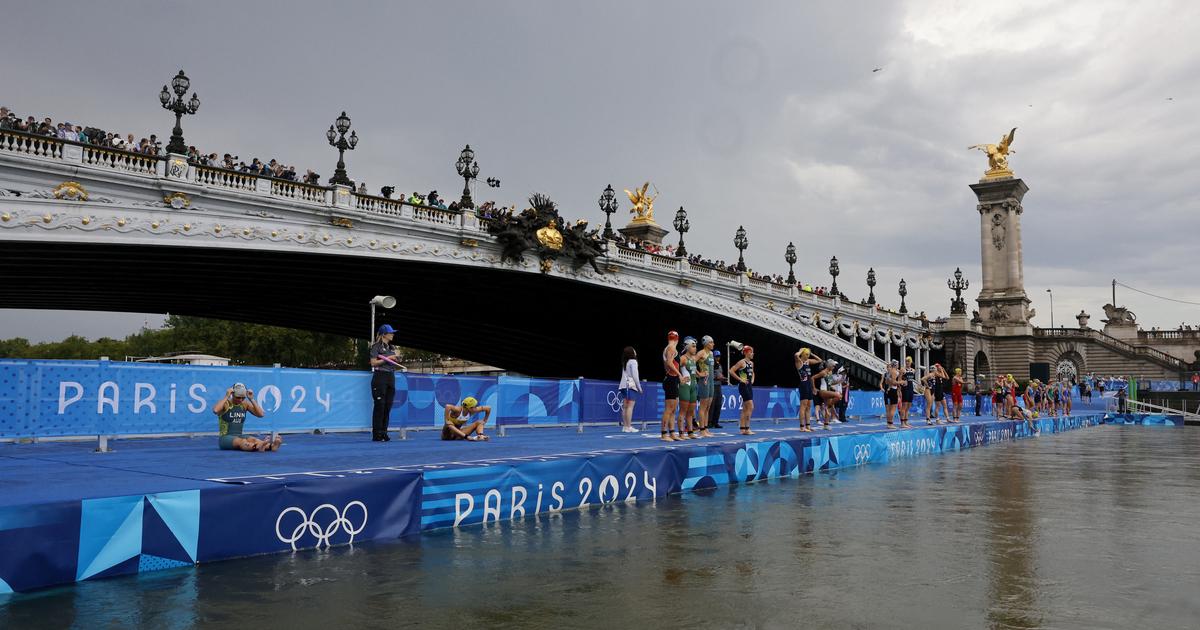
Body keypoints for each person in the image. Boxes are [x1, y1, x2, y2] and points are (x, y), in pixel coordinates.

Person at [213, 383, 280, 452]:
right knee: (242, 441)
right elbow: (215, 410)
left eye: (243, 397)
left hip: (239, 435)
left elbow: (261, 414)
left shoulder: (245, 404)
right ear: (232, 394)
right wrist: (226, 396)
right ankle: (258, 447)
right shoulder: (225, 404)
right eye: (238, 397)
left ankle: (271, 447)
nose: (240, 400)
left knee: (254, 440)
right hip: (225, 438)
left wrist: (251, 399)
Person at [369, 324, 401, 442]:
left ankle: (384, 432)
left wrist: (396, 359)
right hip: (380, 377)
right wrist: (387, 359)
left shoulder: (392, 348)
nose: (392, 335)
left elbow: (394, 363)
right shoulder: (376, 347)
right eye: (391, 333)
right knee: (380, 405)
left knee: (388, 406)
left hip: (390, 377)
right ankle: (377, 433)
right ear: (384, 334)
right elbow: (373, 363)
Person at [795, 347, 823, 432]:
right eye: (806, 354)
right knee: (803, 406)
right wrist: (801, 351)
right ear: (802, 354)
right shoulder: (799, 362)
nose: (807, 356)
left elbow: (819, 360)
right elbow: (796, 355)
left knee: (809, 406)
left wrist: (811, 354)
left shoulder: (808, 362)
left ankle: (808, 426)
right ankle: (801, 426)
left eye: (808, 354)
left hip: (809, 385)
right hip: (803, 385)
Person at [677, 338, 699, 439]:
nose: (695, 348)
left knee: (691, 412)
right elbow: (672, 369)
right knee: (683, 411)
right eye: (693, 346)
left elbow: (695, 373)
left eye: (695, 346)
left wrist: (702, 374)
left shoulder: (694, 359)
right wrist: (679, 378)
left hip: (693, 386)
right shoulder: (683, 358)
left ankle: (690, 432)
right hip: (685, 387)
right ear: (687, 347)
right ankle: (681, 433)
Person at [730, 345, 756, 435]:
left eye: (753, 352)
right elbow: (731, 371)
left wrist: (752, 380)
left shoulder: (751, 363)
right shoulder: (742, 362)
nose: (753, 353)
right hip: (743, 386)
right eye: (751, 352)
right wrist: (740, 379)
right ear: (746, 353)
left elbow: (753, 373)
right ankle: (747, 428)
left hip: (749, 386)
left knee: (745, 408)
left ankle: (742, 429)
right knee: (750, 406)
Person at [661, 331, 681, 442]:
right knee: (669, 409)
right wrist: (680, 375)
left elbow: (668, 364)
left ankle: (672, 432)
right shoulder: (671, 348)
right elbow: (669, 362)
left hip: (672, 379)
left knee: (673, 409)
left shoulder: (669, 348)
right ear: (677, 339)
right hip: (671, 380)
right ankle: (664, 434)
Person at [695, 336, 715, 438]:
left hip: (711, 382)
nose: (713, 344)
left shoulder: (711, 353)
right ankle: (701, 430)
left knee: (708, 407)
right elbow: (690, 362)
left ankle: (706, 428)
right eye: (711, 342)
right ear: (706, 343)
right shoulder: (701, 353)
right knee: (703, 407)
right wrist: (699, 374)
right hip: (704, 382)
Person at [618, 346, 642, 433]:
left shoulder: (626, 362)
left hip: (623, 386)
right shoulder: (633, 361)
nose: (635, 351)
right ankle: (628, 426)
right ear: (632, 352)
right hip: (630, 386)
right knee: (630, 407)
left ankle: (625, 426)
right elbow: (635, 376)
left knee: (625, 407)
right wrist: (639, 387)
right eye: (634, 350)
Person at [899, 356, 916, 428]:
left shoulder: (913, 370)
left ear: (911, 362)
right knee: (904, 406)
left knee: (908, 406)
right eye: (906, 361)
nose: (907, 362)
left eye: (908, 361)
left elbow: (911, 380)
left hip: (911, 389)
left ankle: (906, 421)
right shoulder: (903, 369)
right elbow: (899, 379)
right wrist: (900, 388)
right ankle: (902, 423)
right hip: (905, 389)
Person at [709, 350, 725, 429]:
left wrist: (722, 378)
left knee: (718, 405)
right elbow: (709, 375)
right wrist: (716, 377)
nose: (718, 358)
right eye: (716, 356)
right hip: (713, 386)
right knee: (712, 405)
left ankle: (716, 422)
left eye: (718, 356)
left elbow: (720, 374)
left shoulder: (719, 365)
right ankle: (709, 422)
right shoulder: (711, 365)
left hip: (719, 386)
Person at [882, 360, 900, 428]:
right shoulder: (894, 372)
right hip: (893, 390)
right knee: (893, 408)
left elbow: (887, 382)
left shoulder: (888, 373)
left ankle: (889, 423)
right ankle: (890, 424)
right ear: (895, 365)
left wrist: (888, 388)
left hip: (890, 390)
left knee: (889, 409)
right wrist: (901, 382)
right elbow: (894, 382)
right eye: (897, 364)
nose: (898, 366)